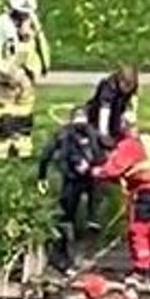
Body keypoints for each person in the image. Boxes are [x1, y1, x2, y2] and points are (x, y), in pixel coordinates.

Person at [93, 121, 150, 282]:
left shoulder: (128, 146)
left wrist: (95, 171)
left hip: (144, 190)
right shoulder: (148, 140)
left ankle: (142, 269)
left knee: (138, 228)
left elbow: (113, 170)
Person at [38, 107, 103, 273]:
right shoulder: (66, 134)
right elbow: (47, 154)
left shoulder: (90, 134)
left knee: (81, 208)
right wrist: (42, 176)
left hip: (87, 177)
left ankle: (90, 222)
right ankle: (69, 239)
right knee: (67, 213)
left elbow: (102, 152)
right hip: (75, 178)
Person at [0, 0, 48, 160]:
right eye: (20, 13)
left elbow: (40, 47)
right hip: (7, 77)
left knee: (25, 114)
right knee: (6, 115)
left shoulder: (31, 23)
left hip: (27, 77)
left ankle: (22, 145)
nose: (23, 17)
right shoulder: (0, 24)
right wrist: (3, 69)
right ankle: (1, 149)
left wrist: (41, 65)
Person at [84, 64, 139, 149]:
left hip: (117, 110)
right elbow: (104, 112)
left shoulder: (132, 85)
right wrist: (104, 133)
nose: (127, 90)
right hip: (97, 115)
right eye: (126, 87)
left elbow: (132, 102)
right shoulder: (108, 87)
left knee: (121, 130)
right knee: (106, 141)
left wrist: (131, 123)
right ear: (120, 80)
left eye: (130, 87)